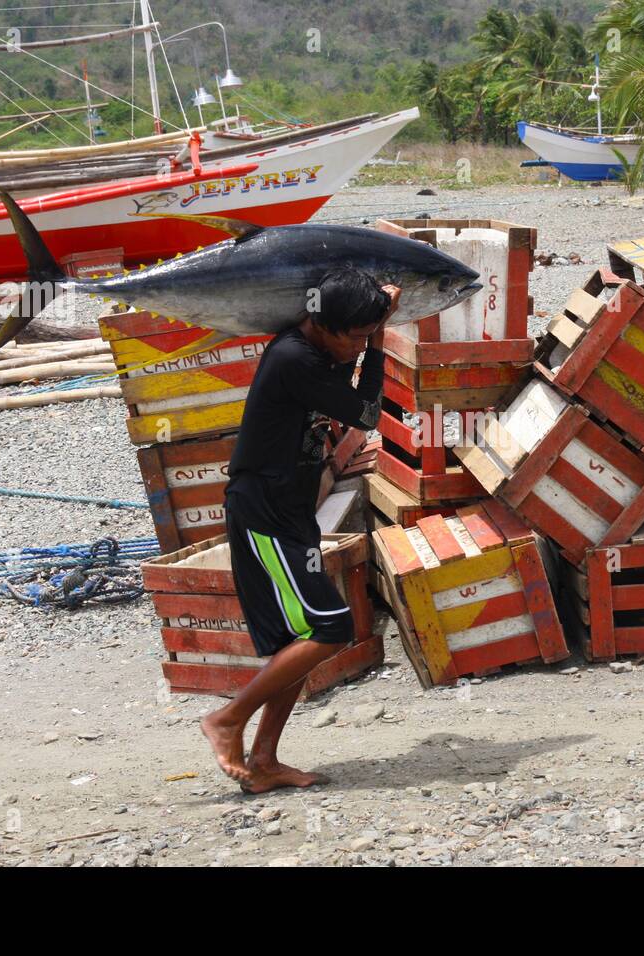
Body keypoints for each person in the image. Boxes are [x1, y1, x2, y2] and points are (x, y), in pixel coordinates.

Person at [201, 265, 398, 792]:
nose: (356, 348)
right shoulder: (294, 358)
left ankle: (263, 762)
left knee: (298, 636)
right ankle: (226, 719)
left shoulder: (314, 351)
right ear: (323, 325)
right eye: (353, 338)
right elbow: (369, 411)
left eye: (363, 337)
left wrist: (370, 325)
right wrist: (377, 341)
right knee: (330, 627)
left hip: (289, 509)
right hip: (265, 510)